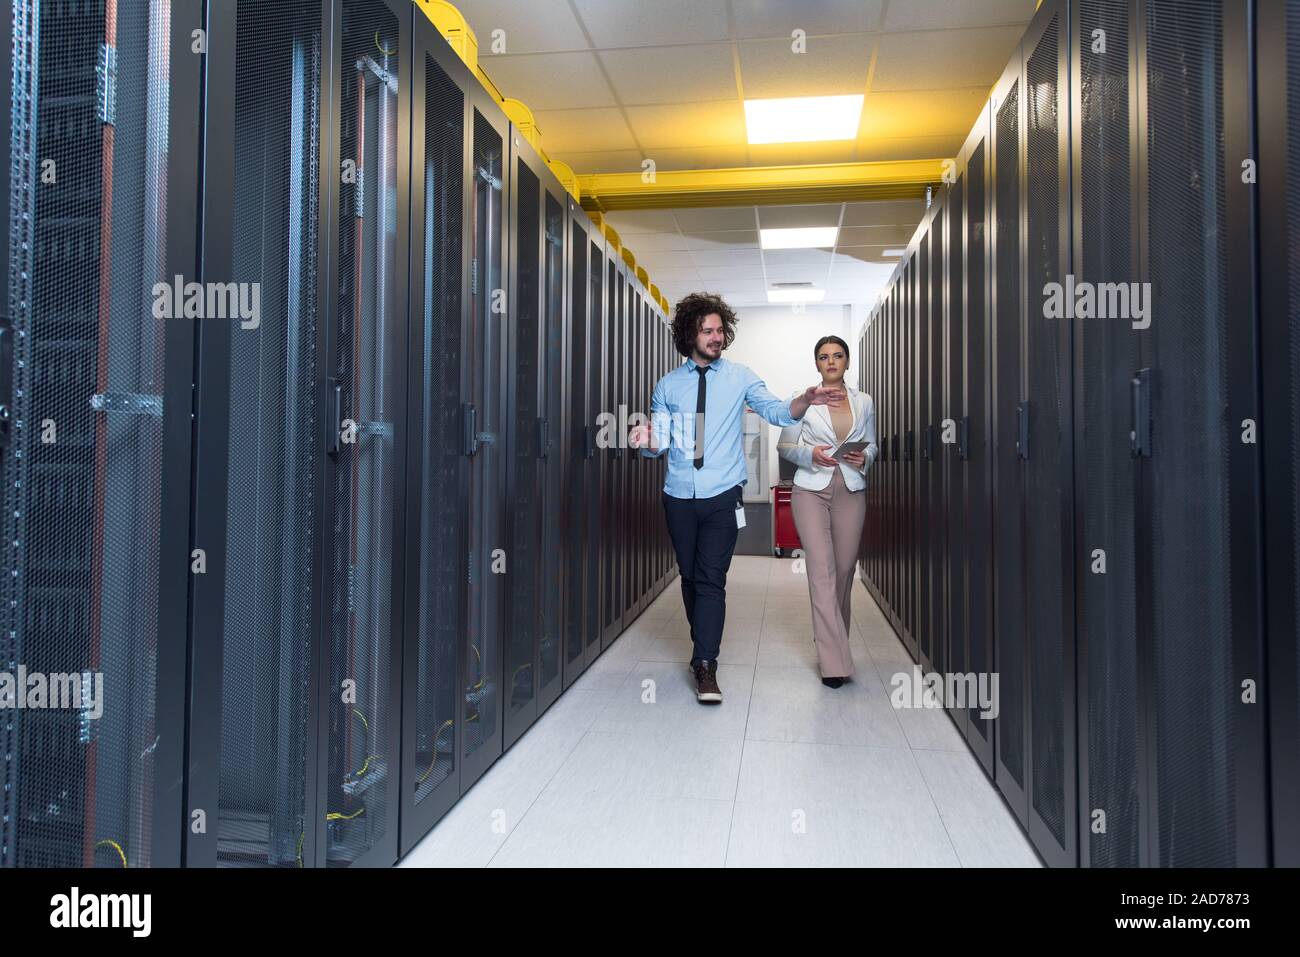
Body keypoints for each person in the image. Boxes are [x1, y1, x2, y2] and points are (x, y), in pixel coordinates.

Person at [628, 293, 844, 703]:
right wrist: (645, 438)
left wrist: (804, 400)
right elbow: (660, 441)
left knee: (711, 578)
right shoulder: (668, 385)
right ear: (689, 333)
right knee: (690, 577)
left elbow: (778, 411)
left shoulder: (741, 377)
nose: (715, 337)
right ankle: (703, 644)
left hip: (723, 495)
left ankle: (705, 663)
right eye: (706, 330)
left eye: (719, 330)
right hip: (678, 495)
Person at [776, 335, 877, 688]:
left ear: (847, 362)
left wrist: (867, 456)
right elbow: (786, 445)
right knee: (821, 570)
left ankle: (833, 642)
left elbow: (874, 443)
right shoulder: (802, 401)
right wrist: (810, 455)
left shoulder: (864, 402)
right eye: (823, 357)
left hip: (851, 488)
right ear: (816, 364)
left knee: (844, 571)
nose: (830, 361)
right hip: (810, 490)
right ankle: (835, 663)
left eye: (837, 356)